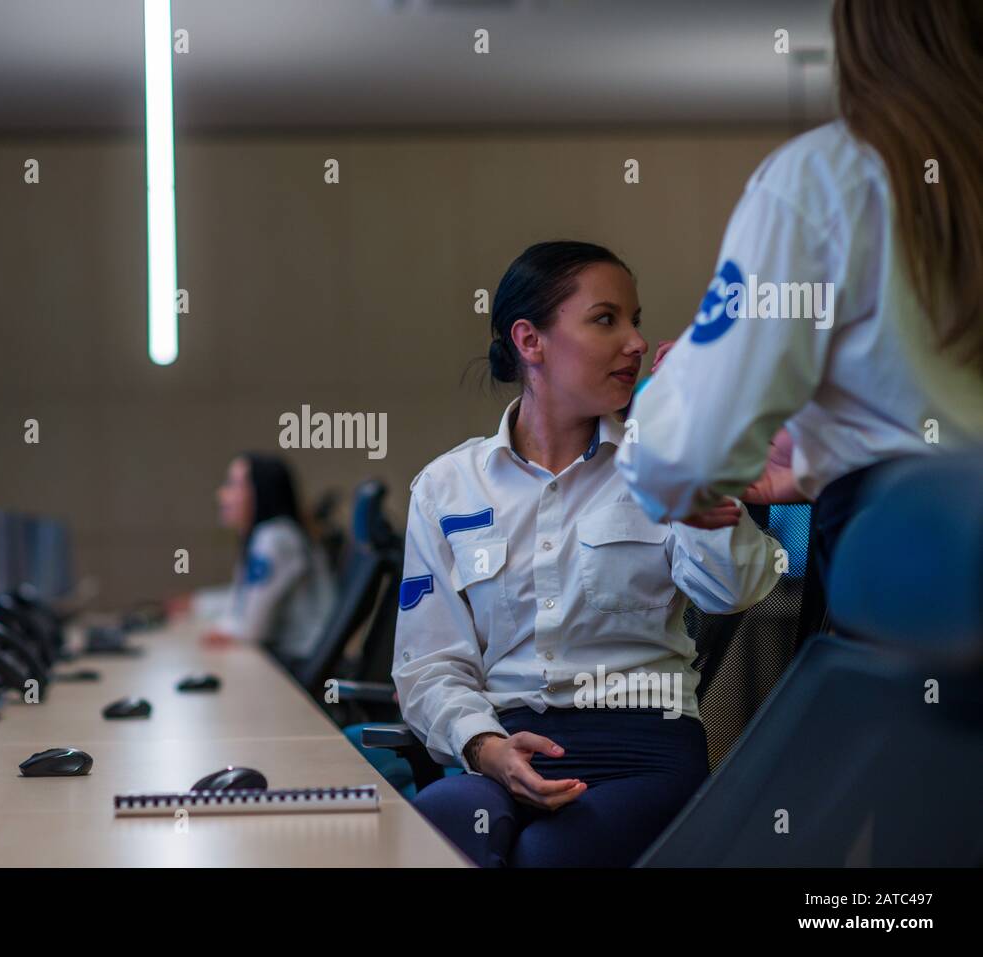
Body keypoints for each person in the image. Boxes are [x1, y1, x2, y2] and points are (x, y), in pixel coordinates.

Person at [393, 241, 781, 867]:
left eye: (635, 320)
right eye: (607, 319)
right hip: (506, 743)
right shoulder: (447, 486)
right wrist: (485, 745)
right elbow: (428, 663)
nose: (634, 342)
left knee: (550, 855)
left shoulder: (664, 462)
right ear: (530, 340)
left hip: (642, 749)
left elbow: (732, 591)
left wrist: (697, 471)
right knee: (448, 825)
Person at [617, 0, 983, 585]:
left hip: (914, 568)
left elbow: (688, 451)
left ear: (861, 37)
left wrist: (671, 435)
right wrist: (817, 459)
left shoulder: (826, 177)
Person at [175, 453, 335, 664]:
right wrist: (197, 603)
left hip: (297, 663)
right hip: (294, 659)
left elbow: (252, 628)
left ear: (260, 491)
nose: (222, 495)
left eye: (233, 485)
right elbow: (243, 598)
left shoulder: (275, 539)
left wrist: (220, 628)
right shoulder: (275, 534)